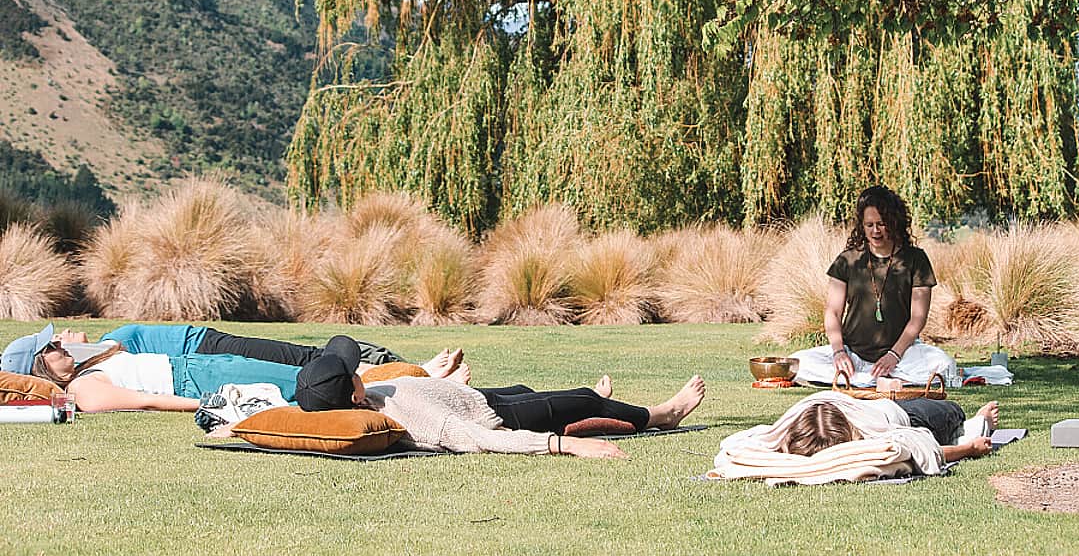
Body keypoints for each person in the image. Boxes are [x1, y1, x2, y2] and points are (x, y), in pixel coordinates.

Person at [214, 336, 707, 459]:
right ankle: (660, 414)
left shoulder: (371, 395)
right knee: (580, 397)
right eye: (352, 371)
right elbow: (475, 439)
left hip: (476, 397)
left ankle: (583, 409)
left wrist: (450, 384)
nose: (359, 369)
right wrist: (566, 447)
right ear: (351, 394)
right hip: (492, 417)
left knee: (530, 392)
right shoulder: (413, 418)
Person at [790, 185, 956, 387]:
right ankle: (877, 380)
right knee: (796, 364)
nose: (875, 231)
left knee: (944, 365)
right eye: (869, 225)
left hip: (903, 355)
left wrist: (894, 355)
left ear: (894, 223)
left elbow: (918, 318)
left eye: (882, 224)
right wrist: (839, 352)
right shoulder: (847, 260)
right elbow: (833, 312)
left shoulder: (915, 259)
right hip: (853, 354)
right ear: (862, 225)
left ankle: (867, 379)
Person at [709, 390, 996, 483]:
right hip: (866, 404)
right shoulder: (783, 431)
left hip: (901, 415)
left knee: (952, 411)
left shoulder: (872, 434)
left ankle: (973, 422)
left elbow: (923, 450)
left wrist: (968, 448)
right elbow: (736, 445)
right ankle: (972, 428)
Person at [2, 323, 464, 380]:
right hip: (206, 349)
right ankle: (413, 372)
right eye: (55, 342)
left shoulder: (102, 346)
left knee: (299, 353)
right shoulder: (100, 358)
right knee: (302, 358)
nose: (63, 334)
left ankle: (401, 367)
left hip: (206, 340)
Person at [26, 338, 305, 413]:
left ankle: (344, 393)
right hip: (194, 381)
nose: (60, 345)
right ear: (42, 367)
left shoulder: (85, 370)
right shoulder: (83, 389)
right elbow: (145, 401)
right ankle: (345, 394)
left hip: (195, 367)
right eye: (51, 347)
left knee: (291, 379)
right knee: (296, 382)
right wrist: (206, 403)